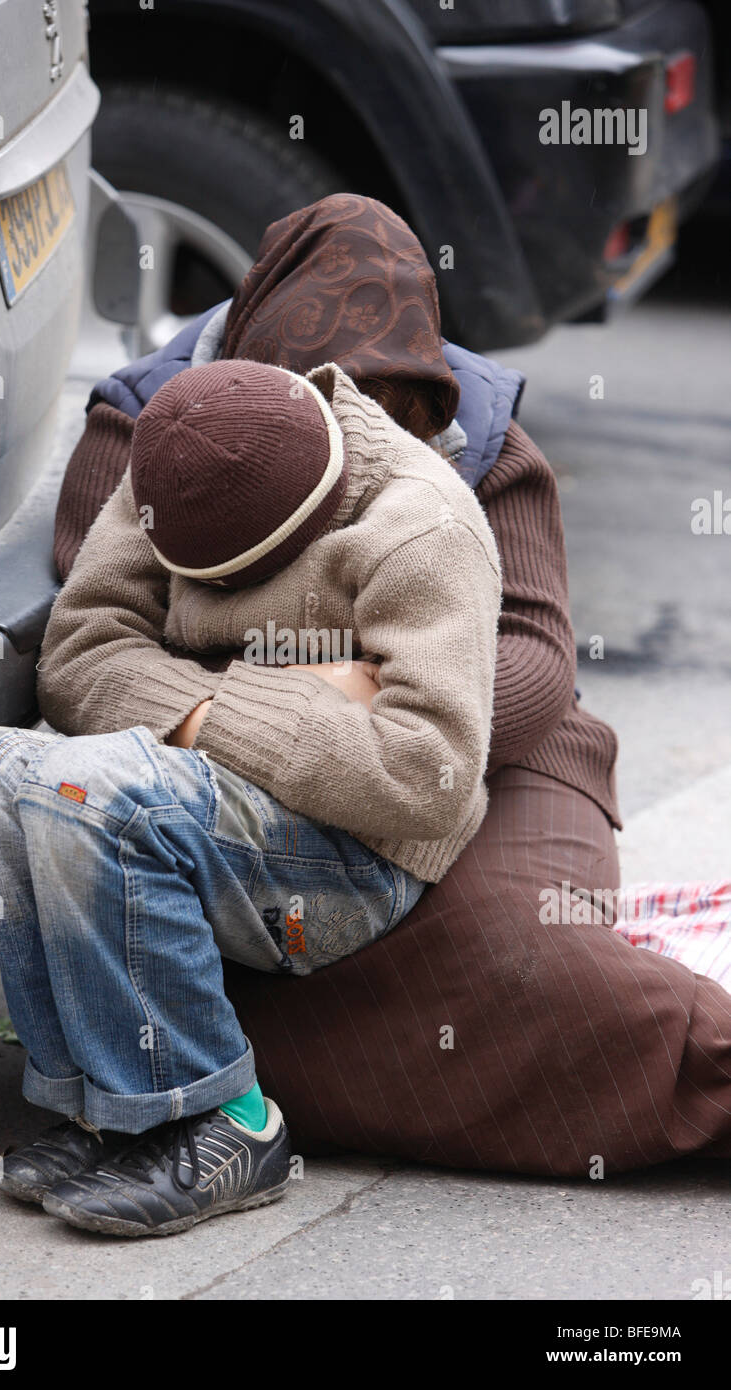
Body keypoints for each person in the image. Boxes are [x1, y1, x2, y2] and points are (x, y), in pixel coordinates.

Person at [45, 194, 731, 1175]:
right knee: (198, 975)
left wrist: (398, 702)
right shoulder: (151, 430)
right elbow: (96, 658)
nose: (359, 435)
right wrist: (300, 706)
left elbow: (534, 661)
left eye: (380, 411)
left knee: (531, 959)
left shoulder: (474, 426)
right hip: (230, 779)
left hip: (479, 761)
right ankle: (219, 1087)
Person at [0, 335, 502, 1236]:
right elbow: (81, 659)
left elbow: (419, 773)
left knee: (94, 796)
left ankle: (225, 1121)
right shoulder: (179, 463)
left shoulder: (421, 526)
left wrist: (182, 681)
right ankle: (108, 1110)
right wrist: (289, 689)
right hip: (210, 778)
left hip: (355, 848)